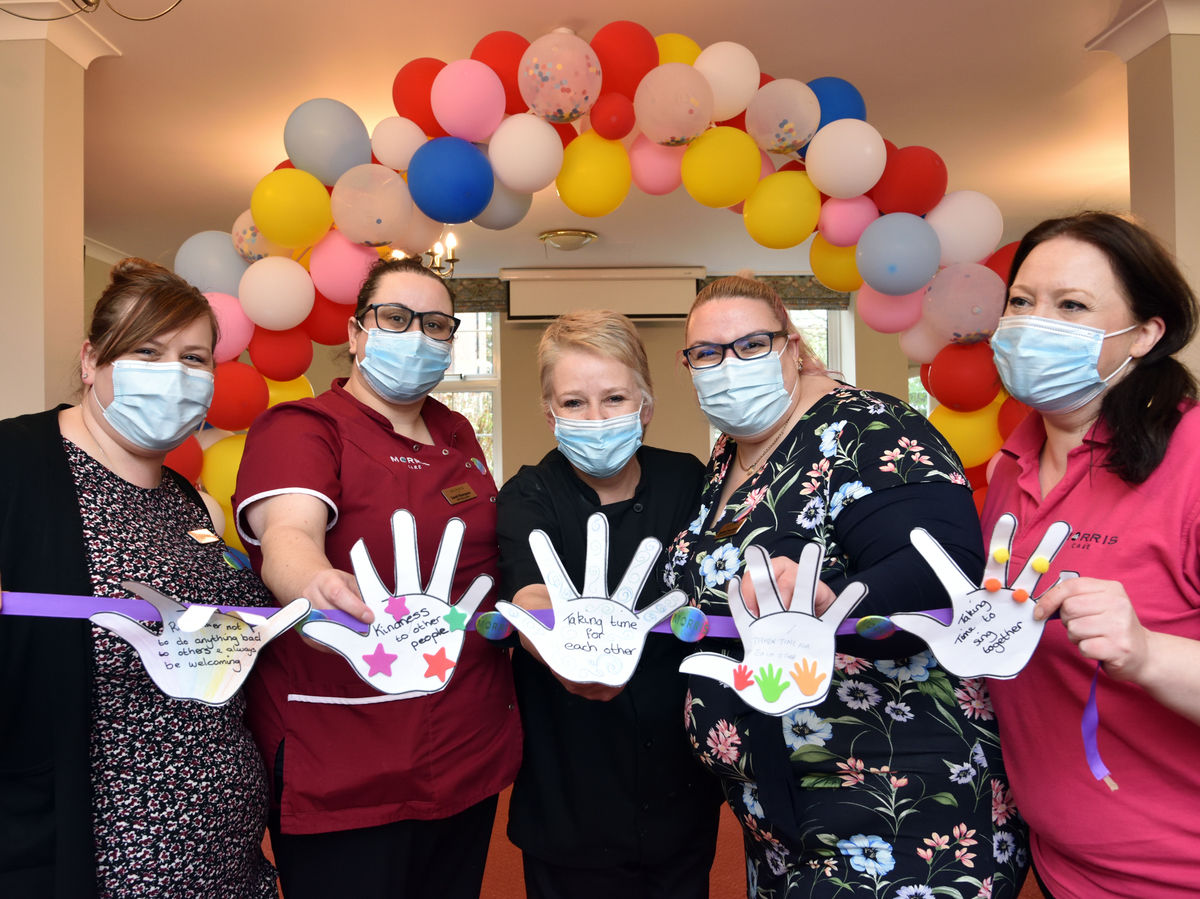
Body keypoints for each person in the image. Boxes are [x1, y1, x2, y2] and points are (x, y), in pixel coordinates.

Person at [664, 274, 1029, 898]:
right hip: (782, 812)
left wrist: (831, 603)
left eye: (750, 344)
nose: (728, 366)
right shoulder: (729, 455)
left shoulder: (868, 425)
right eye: (706, 353)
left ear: (793, 345)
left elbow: (938, 571)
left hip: (896, 802)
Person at [232, 255, 520, 899]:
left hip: (464, 736)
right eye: (395, 317)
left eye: (436, 324)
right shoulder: (304, 428)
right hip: (346, 755)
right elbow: (288, 536)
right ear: (356, 332)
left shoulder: (456, 431)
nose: (417, 335)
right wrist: (315, 584)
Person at [0, 259, 277, 898]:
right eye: (147, 351)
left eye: (194, 358)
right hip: (90, 864)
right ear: (91, 360)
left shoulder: (186, 501)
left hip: (227, 859)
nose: (173, 374)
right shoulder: (14, 466)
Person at [981, 212, 1200, 898]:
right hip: (1060, 865)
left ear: (1146, 333)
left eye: (1071, 305)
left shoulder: (1193, 459)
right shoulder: (1009, 468)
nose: (1033, 324)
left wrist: (1147, 652)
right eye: (1021, 301)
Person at [495, 310, 722, 899]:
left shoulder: (688, 480)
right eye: (574, 403)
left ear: (645, 405)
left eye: (614, 398)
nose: (595, 419)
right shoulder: (528, 495)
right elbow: (530, 596)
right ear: (550, 414)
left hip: (679, 789)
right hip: (572, 794)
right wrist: (566, 653)